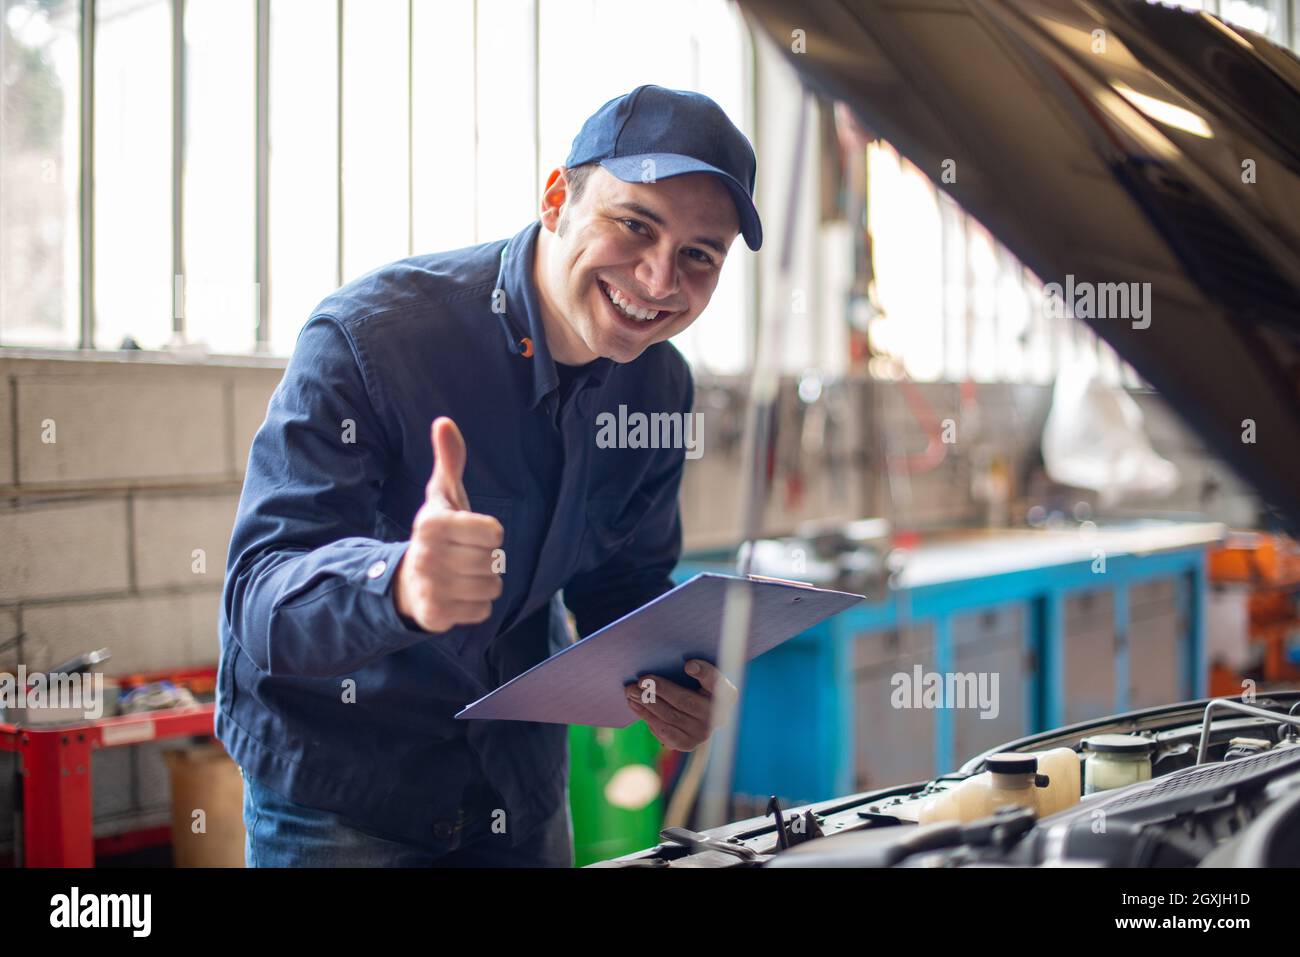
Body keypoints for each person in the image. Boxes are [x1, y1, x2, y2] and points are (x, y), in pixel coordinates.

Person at [217, 85, 762, 867]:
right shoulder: (370, 341)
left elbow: (620, 584)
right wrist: (398, 582)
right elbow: (258, 602)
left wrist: (673, 675)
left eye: (698, 257)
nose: (656, 278)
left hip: (516, 789)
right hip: (346, 797)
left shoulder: (658, 386)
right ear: (555, 198)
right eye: (634, 224)